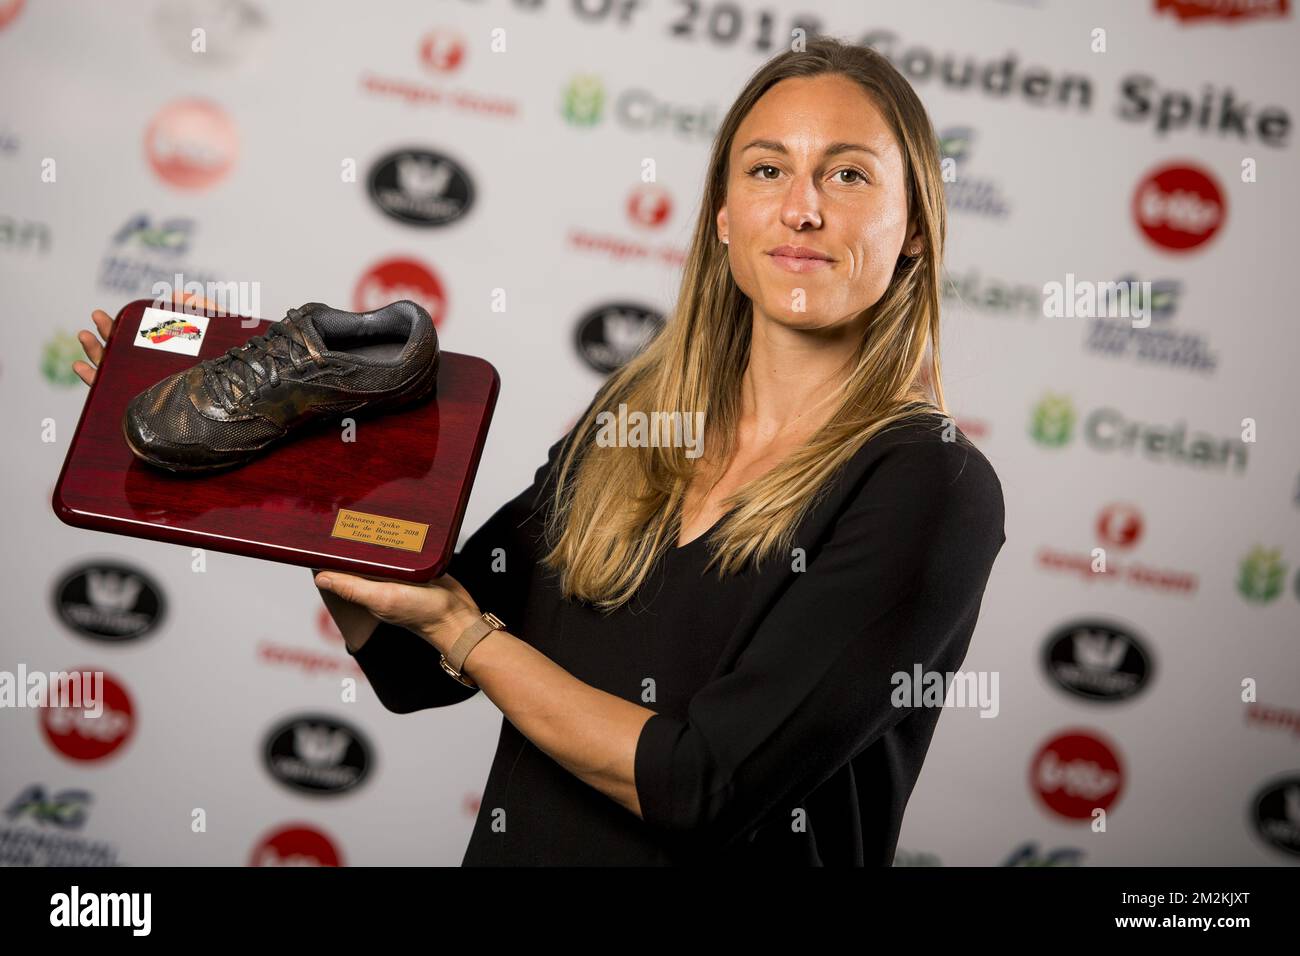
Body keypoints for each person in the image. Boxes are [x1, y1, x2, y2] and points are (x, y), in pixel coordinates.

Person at [75, 36, 1006, 866]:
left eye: (849, 176)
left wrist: (460, 633)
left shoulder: (931, 484)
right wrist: (273, 450)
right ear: (723, 218)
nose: (800, 209)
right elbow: (412, 664)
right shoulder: (636, 421)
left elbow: (702, 787)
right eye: (766, 171)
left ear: (915, 225)